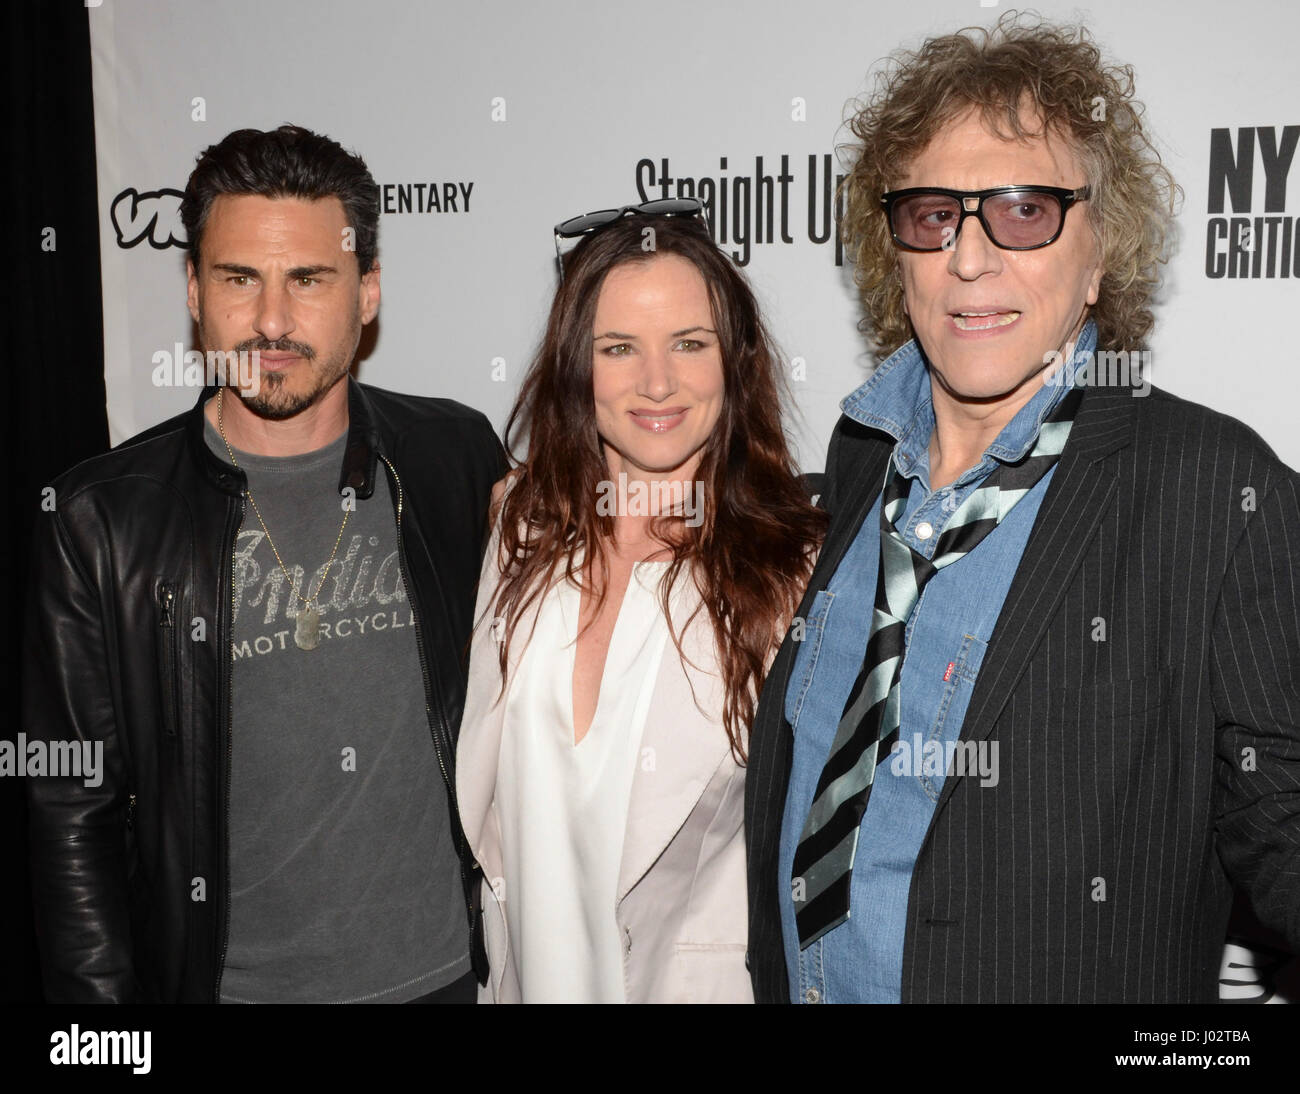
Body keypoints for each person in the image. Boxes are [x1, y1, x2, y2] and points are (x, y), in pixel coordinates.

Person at [745, 14, 1300, 1003]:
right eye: (930, 215)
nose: (968, 258)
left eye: (1022, 211)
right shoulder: (861, 458)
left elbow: (1285, 828)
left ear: (1098, 257)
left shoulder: (1215, 490)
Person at [23, 125, 505, 1003]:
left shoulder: (455, 458)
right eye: (239, 278)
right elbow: (70, 810)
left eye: (308, 280)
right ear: (195, 294)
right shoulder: (102, 520)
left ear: (367, 294)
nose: (272, 320)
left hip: (448, 983)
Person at [456, 203, 826, 1002]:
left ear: (735, 361)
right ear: (575, 370)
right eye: (618, 348)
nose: (657, 383)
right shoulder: (523, 529)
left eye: (689, 344)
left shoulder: (792, 567)